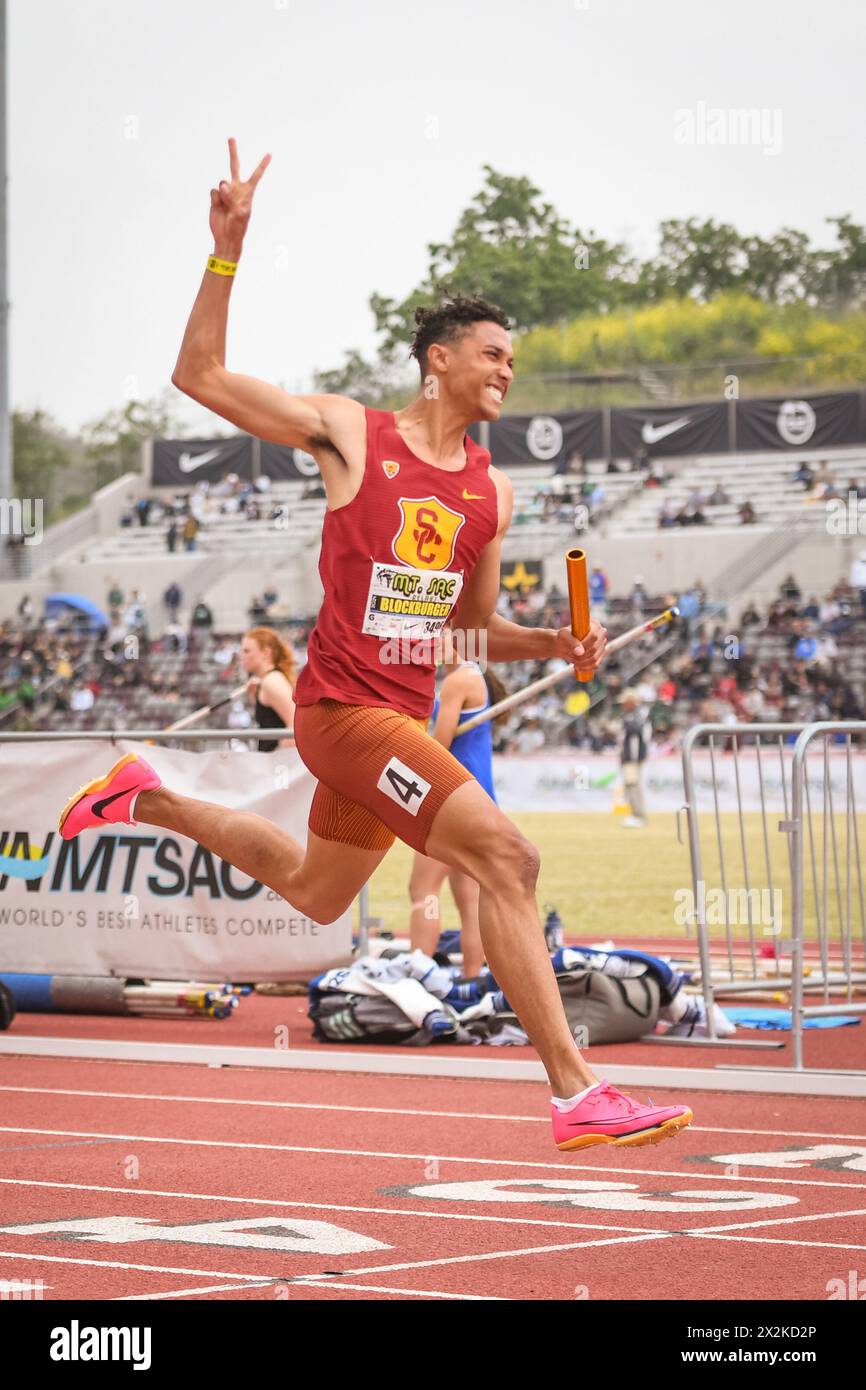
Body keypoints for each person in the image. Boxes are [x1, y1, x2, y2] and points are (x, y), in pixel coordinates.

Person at [56, 138, 691, 1152]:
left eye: (512, 361)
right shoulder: (352, 434)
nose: (505, 373)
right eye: (492, 355)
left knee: (315, 892)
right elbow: (198, 373)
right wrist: (225, 249)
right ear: (438, 359)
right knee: (508, 857)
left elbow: (465, 631)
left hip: (389, 718)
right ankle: (576, 1091)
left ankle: (144, 795)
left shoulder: (492, 489)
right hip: (341, 713)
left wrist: (560, 644)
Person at [408, 643, 505, 978]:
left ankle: (418, 978)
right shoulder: (468, 677)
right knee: (469, 901)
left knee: (422, 891)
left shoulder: (458, 680)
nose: (429, 644)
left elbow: (440, 745)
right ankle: (470, 979)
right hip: (479, 798)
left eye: (439, 637)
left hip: (453, 800)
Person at [240, 625, 297, 751]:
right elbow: (271, 720)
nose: (241, 656)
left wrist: (276, 758)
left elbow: (296, 724)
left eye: (247, 651)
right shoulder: (266, 681)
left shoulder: (272, 681)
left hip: (276, 765)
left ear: (266, 653)